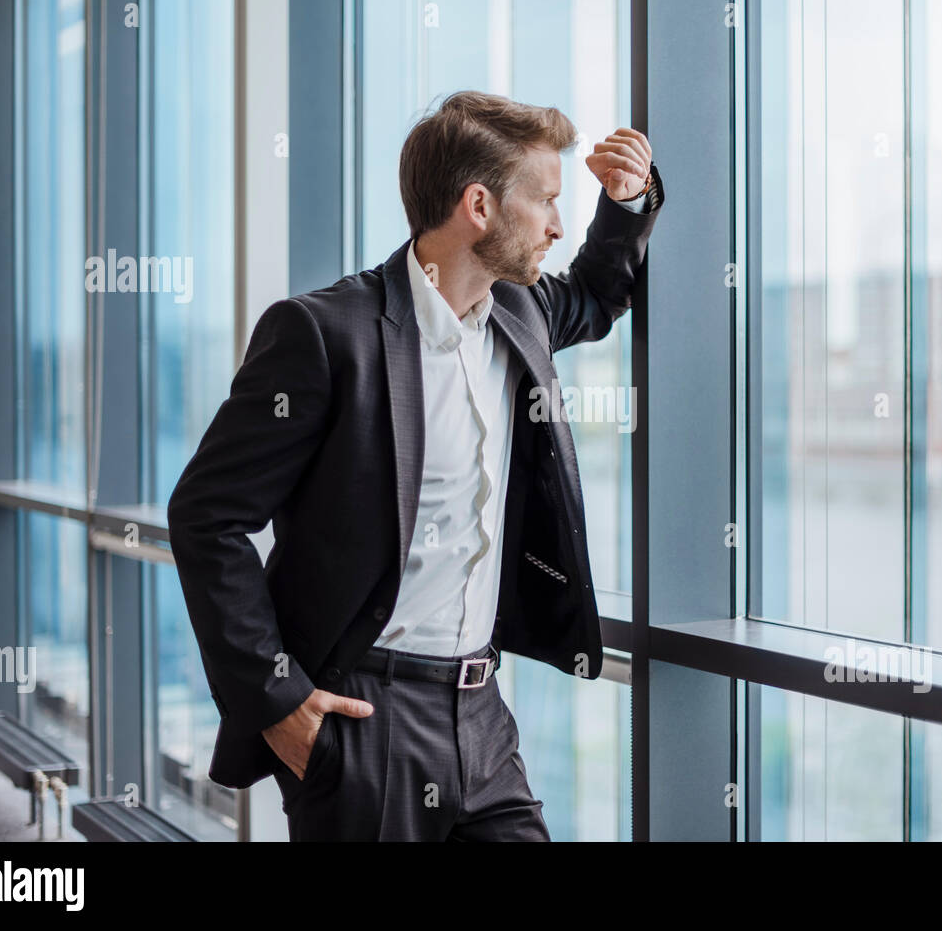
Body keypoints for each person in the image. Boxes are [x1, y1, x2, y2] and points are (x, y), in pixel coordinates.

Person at [166, 90, 664, 840]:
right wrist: (278, 704)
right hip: (366, 720)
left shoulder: (520, 314)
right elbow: (207, 516)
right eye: (547, 203)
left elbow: (596, 292)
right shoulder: (325, 334)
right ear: (479, 206)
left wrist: (626, 203)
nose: (559, 226)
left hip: (483, 713)